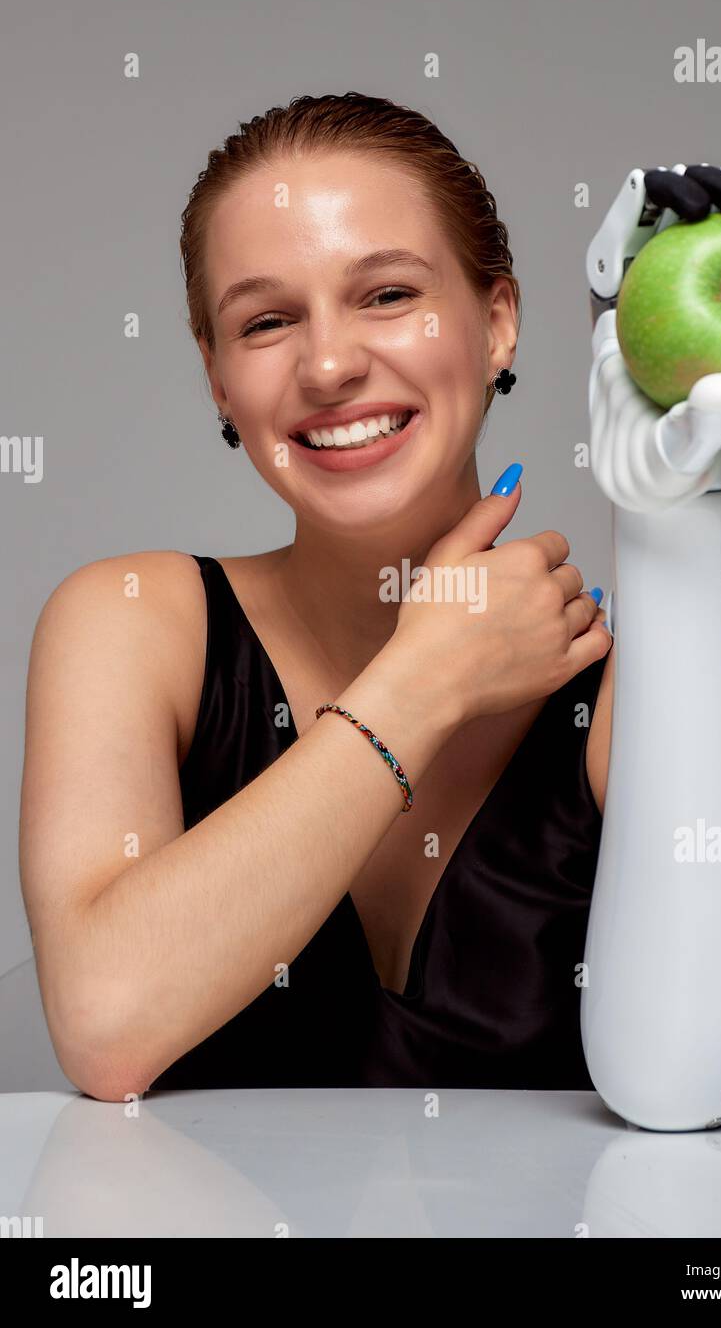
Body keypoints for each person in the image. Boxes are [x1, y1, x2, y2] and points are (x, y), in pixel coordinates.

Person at [22, 90, 631, 1102]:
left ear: (495, 323)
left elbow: (705, 1077)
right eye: (265, 321)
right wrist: (425, 677)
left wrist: (693, 528)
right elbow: (105, 1024)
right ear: (219, 381)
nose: (331, 363)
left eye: (387, 295)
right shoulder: (129, 621)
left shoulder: (628, 688)